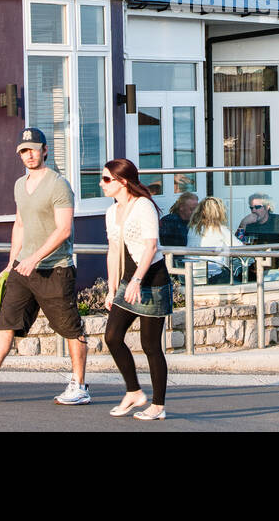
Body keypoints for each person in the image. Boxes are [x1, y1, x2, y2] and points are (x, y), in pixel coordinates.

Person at [0, 127, 89, 405]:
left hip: (55, 269)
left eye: (33, 149)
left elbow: (63, 230)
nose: (28, 155)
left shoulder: (58, 184)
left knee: (71, 328)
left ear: (45, 150)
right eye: (23, 151)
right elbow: (20, 224)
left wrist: (34, 258)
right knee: (7, 322)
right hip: (22, 269)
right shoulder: (19, 185)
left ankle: (79, 386)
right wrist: (11, 263)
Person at [101, 158, 173, 419]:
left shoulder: (143, 206)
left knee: (150, 345)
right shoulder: (112, 211)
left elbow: (151, 246)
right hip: (127, 281)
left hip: (151, 280)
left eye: (107, 179)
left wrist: (137, 280)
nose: (102, 184)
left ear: (122, 181)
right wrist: (111, 289)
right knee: (112, 336)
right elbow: (113, 251)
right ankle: (133, 392)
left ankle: (158, 405)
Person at [186, 195, 233, 285]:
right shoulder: (220, 229)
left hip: (193, 275)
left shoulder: (192, 228)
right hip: (213, 276)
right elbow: (240, 247)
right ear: (220, 212)